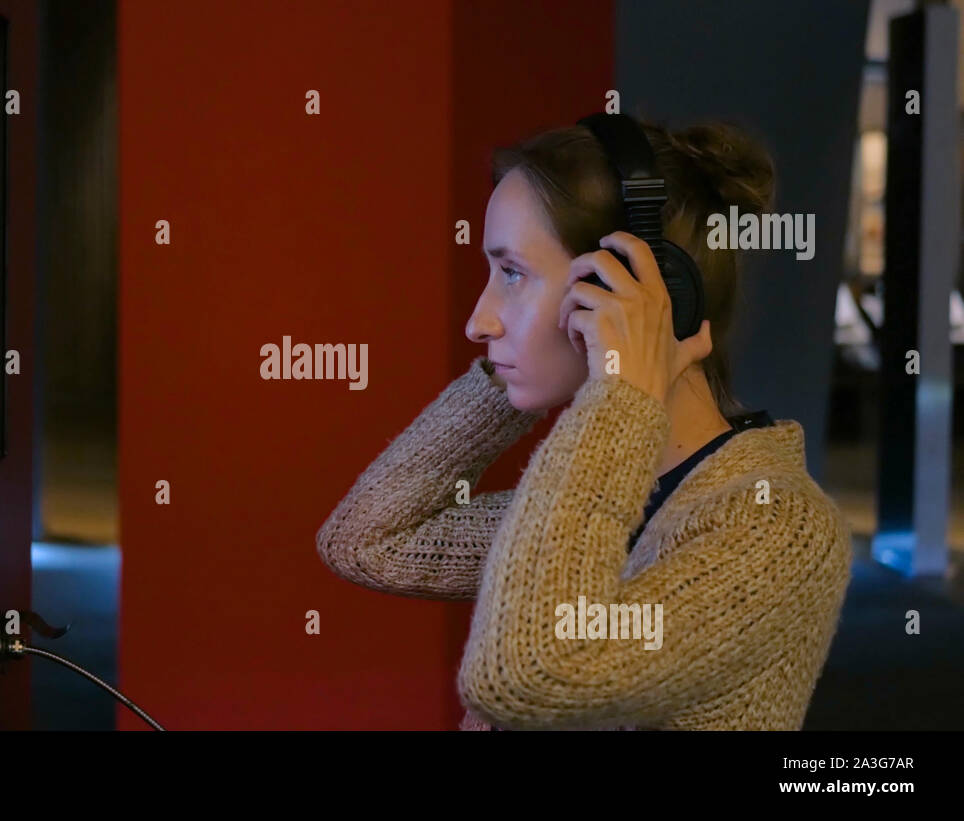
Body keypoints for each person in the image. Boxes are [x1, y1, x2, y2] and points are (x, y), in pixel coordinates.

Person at [315, 116, 853, 731]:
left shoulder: (777, 528)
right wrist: (506, 382)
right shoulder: (614, 498)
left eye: (512, 273)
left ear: (641, 293)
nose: (478, 321)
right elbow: (366, 542)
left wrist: (620, 391)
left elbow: (525, 675)